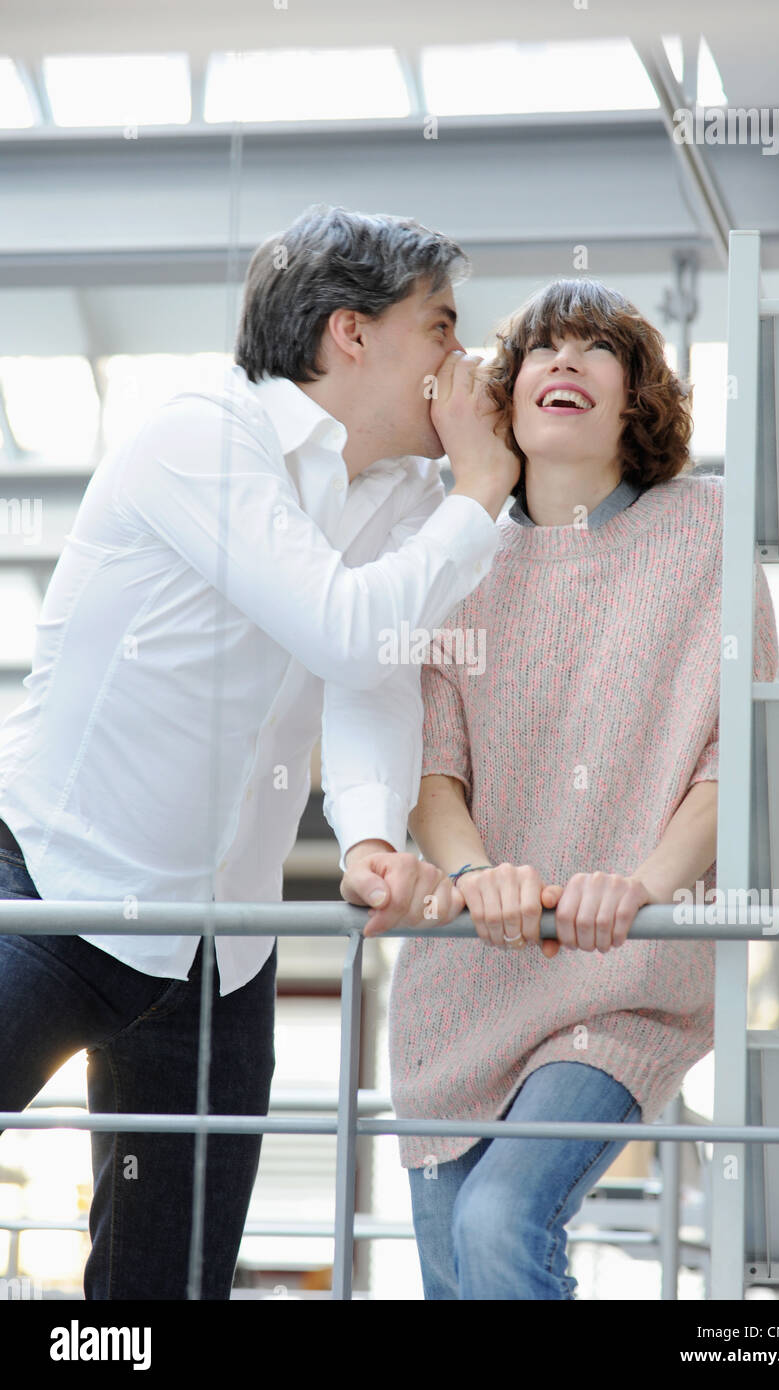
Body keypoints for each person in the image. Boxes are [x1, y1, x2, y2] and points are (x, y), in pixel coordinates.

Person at [0, 204, 512, 1299]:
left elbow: (369, 674)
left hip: (216, 952)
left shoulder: (398, 494)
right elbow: (337, 621)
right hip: (51, 890)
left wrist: (370, 832)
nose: (462, 361)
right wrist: (477, 497)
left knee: (166, 1290)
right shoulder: (205, 434)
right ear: (350, 333)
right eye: (442, 325)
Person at [357, 276, 779, 1300]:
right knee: (459, 1261)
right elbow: (432, 771)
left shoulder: (704, 527)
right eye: (543, 347)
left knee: (504, 1216)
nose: (563, 360)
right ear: (504, 400)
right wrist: (476, 873)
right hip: (465, 975)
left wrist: (639, 883)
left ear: (635, 399)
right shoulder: (457, 557)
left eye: (597, 349)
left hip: (623, 976)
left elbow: (740, 754)